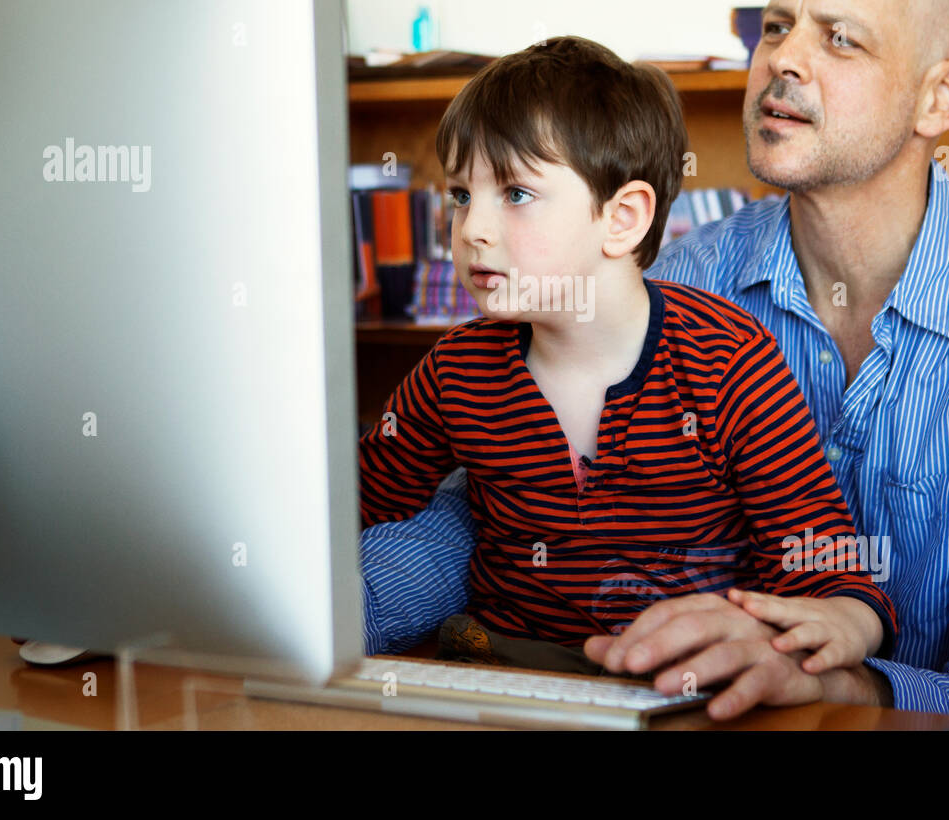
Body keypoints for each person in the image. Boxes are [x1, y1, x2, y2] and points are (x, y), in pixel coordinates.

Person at [360, 0, 949, 719]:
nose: (781, 60)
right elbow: (469, 518)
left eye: (840, 38)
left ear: (941, 97)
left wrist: (844, 682)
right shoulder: (664, 286)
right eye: (776, 27)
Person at [359, 34, 898, 679]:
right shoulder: (457, 371)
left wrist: (851, 617)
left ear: (623, 219)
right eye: (460, 195)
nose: (471, 229)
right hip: (504, 674)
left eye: (516, 194)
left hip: (682, 684)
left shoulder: (729, 362)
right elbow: (362, 500)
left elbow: (830, 569)